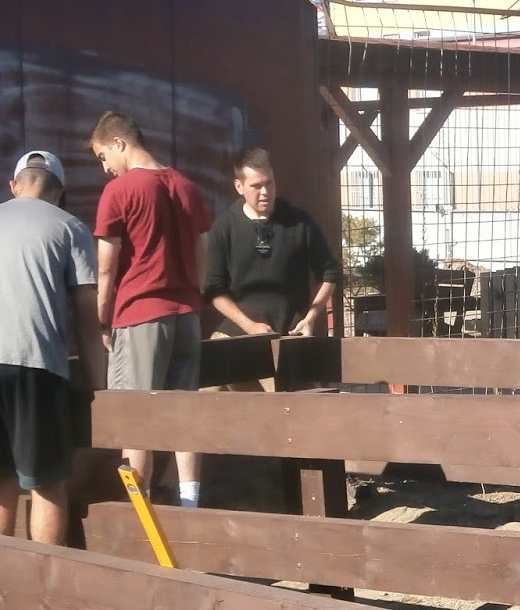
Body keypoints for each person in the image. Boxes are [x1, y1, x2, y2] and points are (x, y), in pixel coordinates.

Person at [0, 151, 105, 544]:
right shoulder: (69, 227)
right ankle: (46, 578)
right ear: (59, 192)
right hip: (32, 361)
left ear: (14, 186)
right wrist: (101, 387)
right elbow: (88, 319)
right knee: (47, 481)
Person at [90, 111, 212, 504]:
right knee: (183, 412)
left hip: (140, 312)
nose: (105, 167)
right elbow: (203, 251)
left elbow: (106, 265)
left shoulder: (120, 191)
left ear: (119, 143)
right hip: (187, 314)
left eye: (103, 156)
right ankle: (190, 503)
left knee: (135, 416)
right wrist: (192, 294)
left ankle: (139, 512)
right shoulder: (187, 187)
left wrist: (102, 319)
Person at [204, 147, 340, 341]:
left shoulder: (300, 223)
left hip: (291, 333)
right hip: (238, 334)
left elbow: (330, 273)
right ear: (239, 186)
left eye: (270, 183)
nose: (265, 192)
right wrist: (249, 326)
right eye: (256, 186)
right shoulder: (224, 227)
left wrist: (310, 318)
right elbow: (213, 288)